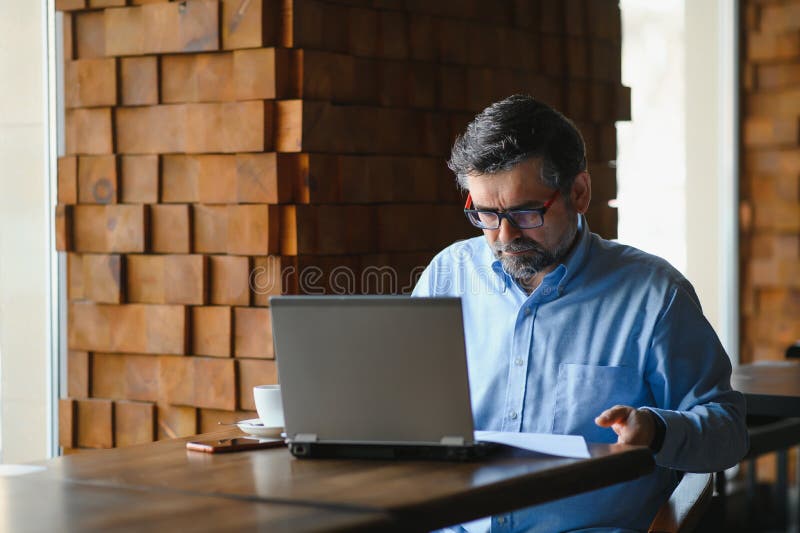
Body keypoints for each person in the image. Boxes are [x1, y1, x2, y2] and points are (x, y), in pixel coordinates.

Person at [412, 95, 748, 532]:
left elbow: (727, 433)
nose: (503, 235)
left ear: (580, 193)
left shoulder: (654, 296)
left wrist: (656, 431)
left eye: (525, 212)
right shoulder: (448, 274)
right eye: (485, 215)